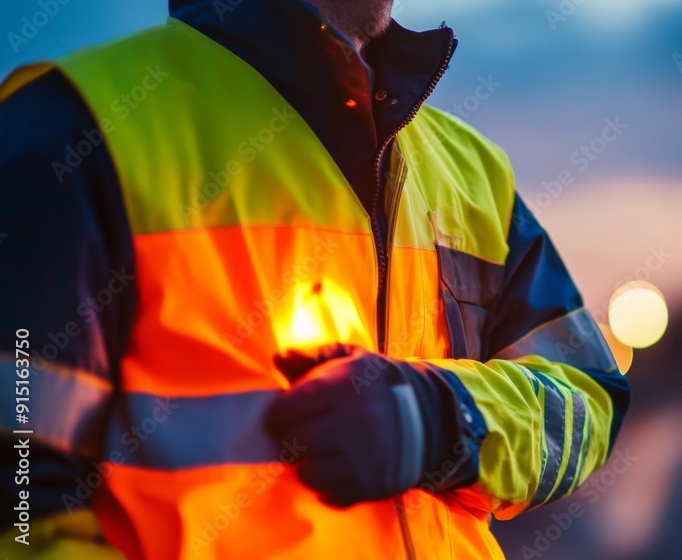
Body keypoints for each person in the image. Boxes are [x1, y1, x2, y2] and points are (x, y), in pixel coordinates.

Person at [0, 0, 631, 557]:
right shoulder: (70, 131)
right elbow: (19, 509)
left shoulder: (472, 173)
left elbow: (586, 400)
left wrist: (441, 417)